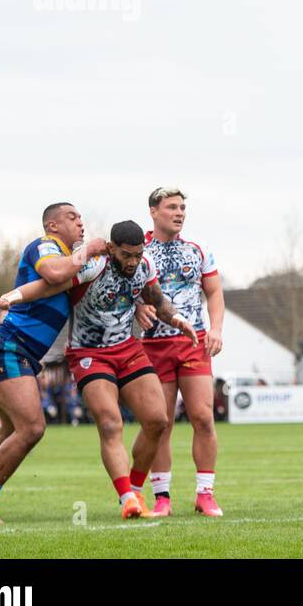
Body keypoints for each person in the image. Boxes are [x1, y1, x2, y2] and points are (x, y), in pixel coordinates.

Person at [0, 220, 198, 519]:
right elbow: (46, 286)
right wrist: (9, 299)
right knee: (110, 423)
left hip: (128, 350)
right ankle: (127, 499)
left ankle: (134, 490)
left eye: (137, 254)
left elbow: (156, 299)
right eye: (126, 255)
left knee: (158, 420)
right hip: (89, 353)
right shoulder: (94, 265)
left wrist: (178, 320)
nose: (132, 262)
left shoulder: (144, 266)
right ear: (112, 248)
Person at [0, 202, 106, 524]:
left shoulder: (71, 264)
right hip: (11, 347)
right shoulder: (45, 247)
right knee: (32, 428)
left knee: (8, 428)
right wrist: (89, 249)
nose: (81, 223)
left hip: (15, 350)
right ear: (52, 225)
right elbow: (53, 272)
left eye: (81, 219)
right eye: (72, 218)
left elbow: (25, 293)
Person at [133, 186, 226, 518]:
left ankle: (205, 494)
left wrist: (215, 329)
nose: (179, 213)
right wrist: (136, 311)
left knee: (203, 416)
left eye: (183, 207)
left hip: (193, 342)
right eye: (172, 207)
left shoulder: (197, 251)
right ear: (154, 211)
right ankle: (162, 496)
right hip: (153, 346)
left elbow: (214, 293)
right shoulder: (137, 252)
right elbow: (122, 294)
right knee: (162, 422)